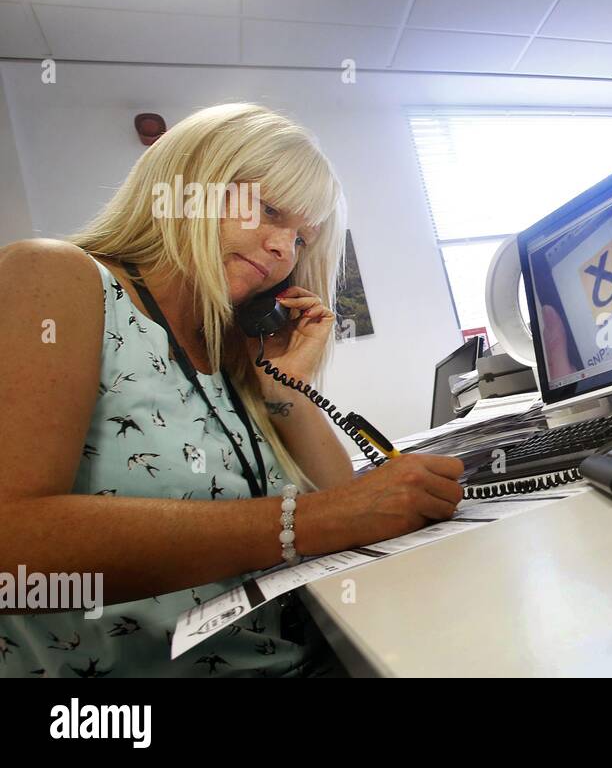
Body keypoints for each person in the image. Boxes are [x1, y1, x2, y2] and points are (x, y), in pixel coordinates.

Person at [0, 103, 464, 677]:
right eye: (267, 210)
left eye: (301, 238)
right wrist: (309, 521)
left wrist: (283, 383)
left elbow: (349, 508)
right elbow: (11, 550)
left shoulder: (233, 348)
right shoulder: (56, 277)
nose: (282, 249)